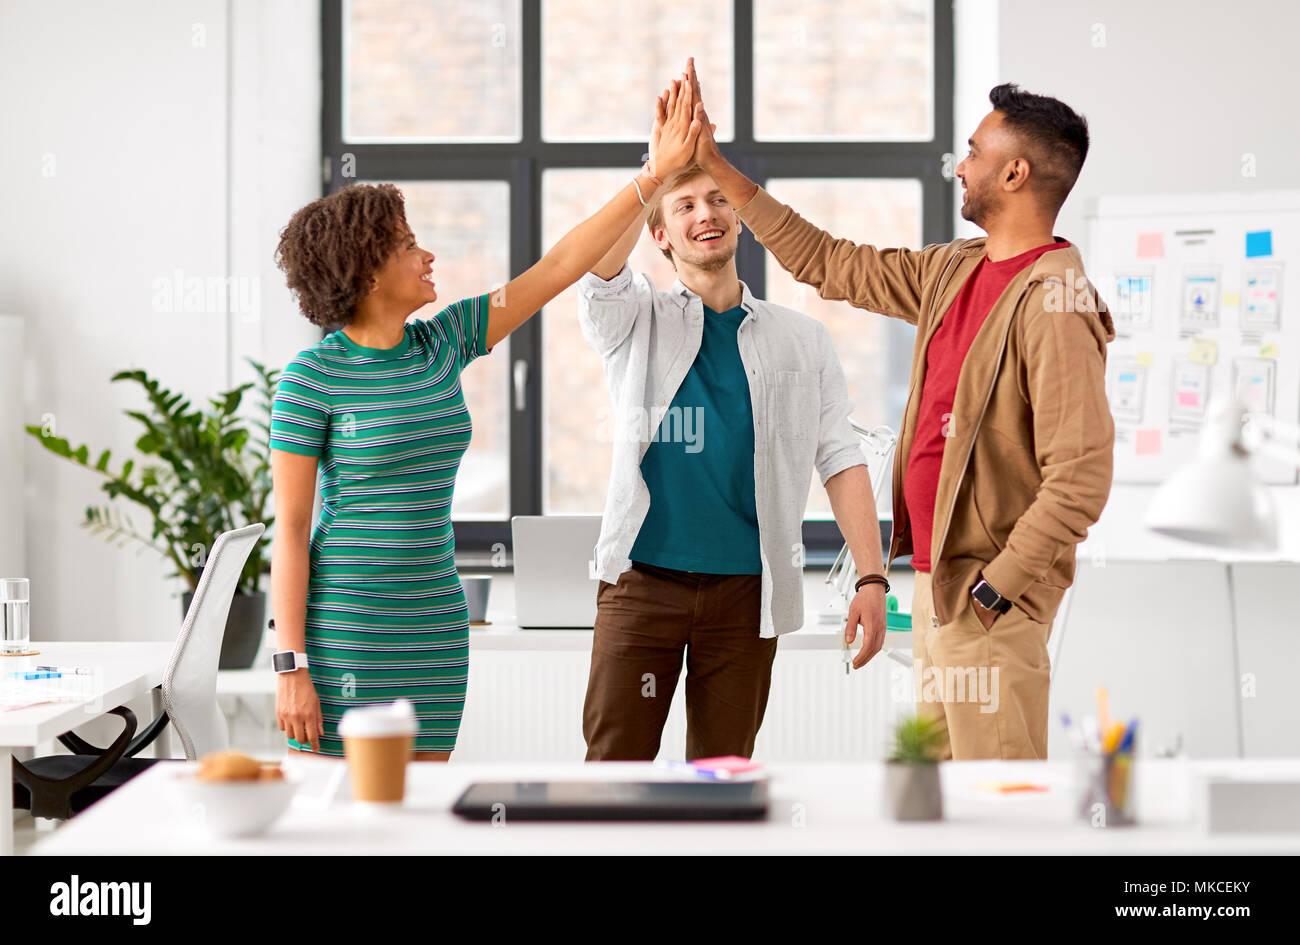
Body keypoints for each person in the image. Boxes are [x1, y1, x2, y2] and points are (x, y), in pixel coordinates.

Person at [266, 68, 703, 761]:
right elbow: (289, 530)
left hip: (434, 630)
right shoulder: (310, 379)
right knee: (337, 819)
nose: (428, 253)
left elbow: (560, 265)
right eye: (410, 245)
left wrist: (654, 174)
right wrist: (291, 665)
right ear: (369, 268)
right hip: (345, 630)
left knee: (421, 814)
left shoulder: (445, 342)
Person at [688, 62, 1115, 760]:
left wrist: (996, 588)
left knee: (998, 804)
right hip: (941, 588)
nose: (961, 166)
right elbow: (829, 262)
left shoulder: (1054, 304)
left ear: (1014, 175)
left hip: (988, 601)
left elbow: (1082, 478)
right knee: (937, 797)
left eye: (975, 152)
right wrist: (717, 168)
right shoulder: (954, 269)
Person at [577, 72, 888, 762]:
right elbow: (599, 268)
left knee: (723, 782)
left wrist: (871, 576)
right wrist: (653, 171)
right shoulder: (634, 319)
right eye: (683, 205)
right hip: (639, 585)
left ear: (740, 215)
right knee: (610, 777)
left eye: (717, 198)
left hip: (746, 596)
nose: (705, 213)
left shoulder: (801, 338)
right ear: (660, 234)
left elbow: (840, 456)